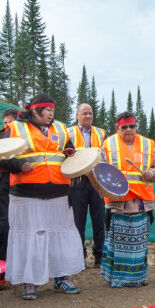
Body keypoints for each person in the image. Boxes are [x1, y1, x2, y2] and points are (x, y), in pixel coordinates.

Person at [0, 95, 84, 299]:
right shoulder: (16, 128)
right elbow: (1, 156)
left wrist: (73, 156)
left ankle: (62, 279)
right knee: (31, 237)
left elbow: (69, 151)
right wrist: (18, 165)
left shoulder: (62, 129)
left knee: (60, 237)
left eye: (53, 110)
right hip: (27, 193)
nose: (51, 114)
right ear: (35, 111)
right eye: (47, 110)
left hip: (58, 192)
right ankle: (30, 282)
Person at [102, 111, 155, 288]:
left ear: (136, 126)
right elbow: (100, 169)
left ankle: (139, 276)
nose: (129, 130)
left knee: (139, 241)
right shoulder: (108, 144)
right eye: (124, 127)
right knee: (117, 241)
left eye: (132, 126)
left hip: (141, 201)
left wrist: (151, 173)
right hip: (117, 201)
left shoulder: (148, 144)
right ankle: (117, 277)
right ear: (118, 128)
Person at [66, 102, 107, 267]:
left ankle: (100, 256)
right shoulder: (68, 133)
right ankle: (79, 257)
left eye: (90, 113)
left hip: (97, 181)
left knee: (99, 220)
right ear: (77, 115)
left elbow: (105, 156)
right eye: (84, 113)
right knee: (78, 221)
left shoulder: (101, 133)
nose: (88, 116)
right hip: (77, 181)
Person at [0, 108, 18, 266]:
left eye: (10, 123)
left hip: (21, 179)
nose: (6, 126)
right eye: (4, 123)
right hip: (1, 180)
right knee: (2, 223)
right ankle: (0, 261)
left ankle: (19, 261)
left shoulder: (23, 135)